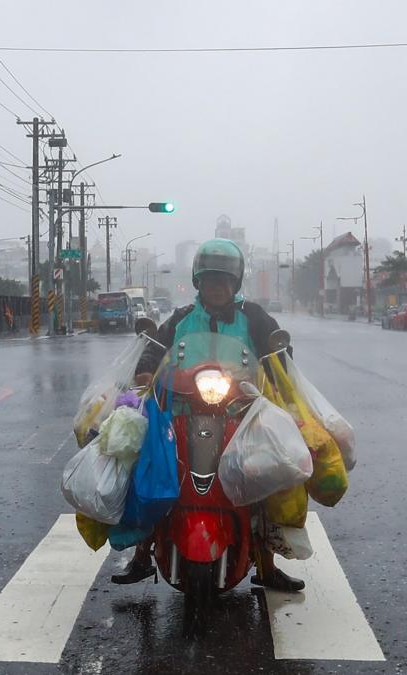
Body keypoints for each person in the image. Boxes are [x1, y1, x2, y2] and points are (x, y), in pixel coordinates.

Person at [110, 238, 306, 593]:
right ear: (199, 283)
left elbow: (275, 349)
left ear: (236, 284)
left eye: (225, 281)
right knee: (153, 468)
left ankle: (267, 563)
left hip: (241, 414)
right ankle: (141, 553)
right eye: (211, 280)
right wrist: (145, 369)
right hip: (183, 411)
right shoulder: (182, 320)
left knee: (266, 477)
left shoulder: (254, 318)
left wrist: (279, 361)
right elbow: (156, 349)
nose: (218, 287)